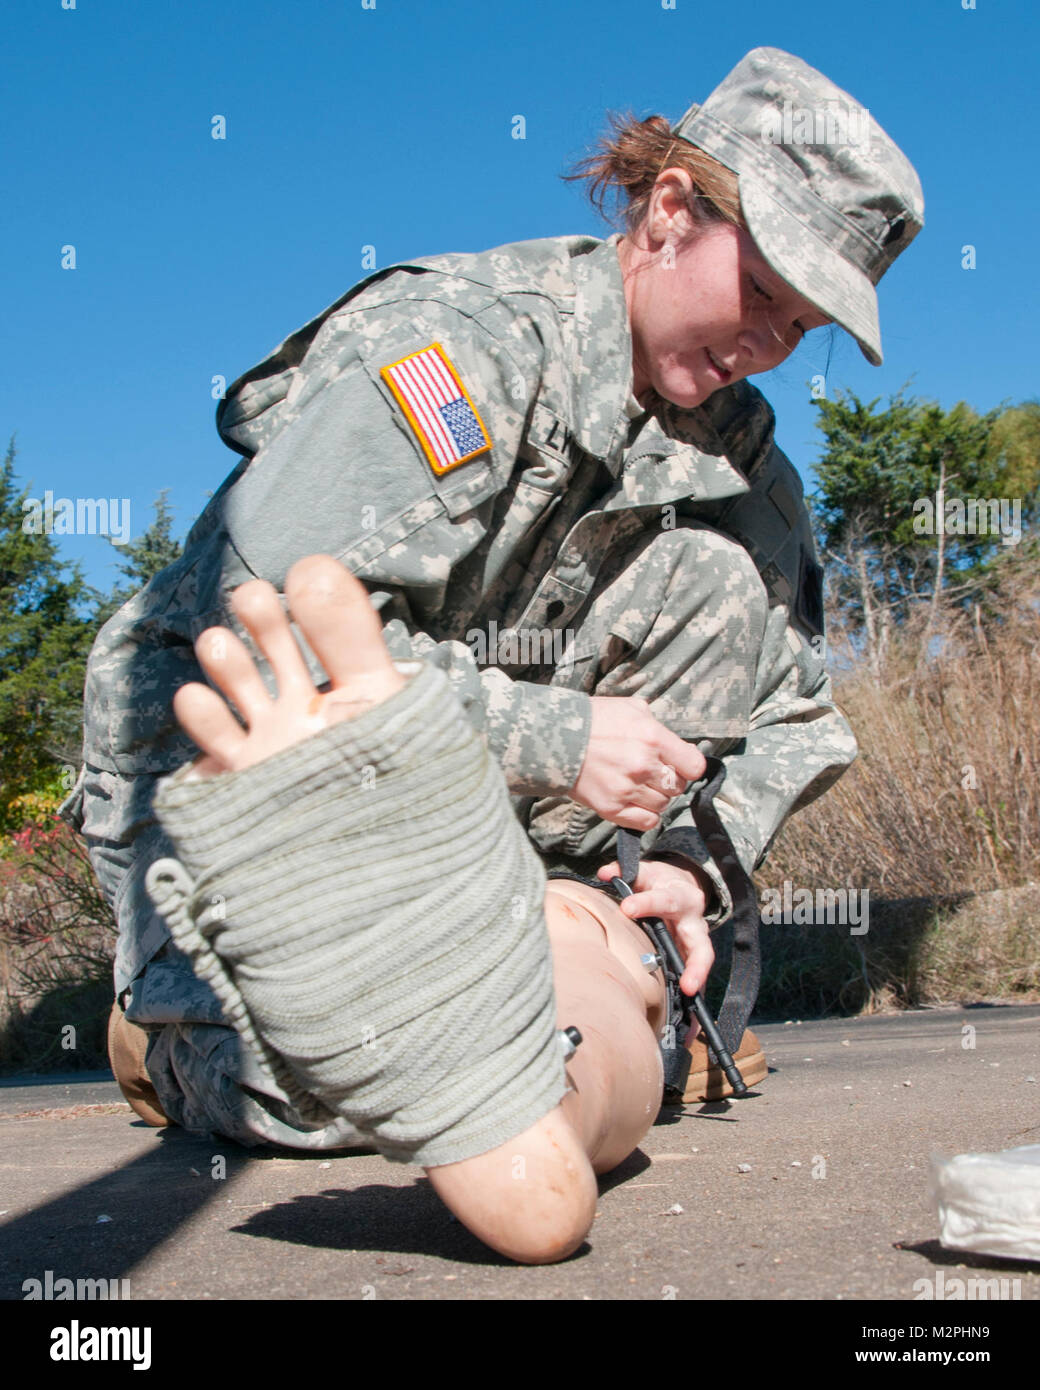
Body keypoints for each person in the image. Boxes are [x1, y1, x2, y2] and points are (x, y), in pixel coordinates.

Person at [63, 47, 923, 1263]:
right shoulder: (457, 347)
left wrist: (688, 864)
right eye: (764, 290)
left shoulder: (743, 480)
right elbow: (261, 629)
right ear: (669, 207)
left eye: (801, 326)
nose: (767, 344)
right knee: (354, 1087)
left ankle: (561, 964)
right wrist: (554, 739)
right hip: (258, 798)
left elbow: (792, 718)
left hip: (502, 859)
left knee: (714, 589)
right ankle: (171, 1028)